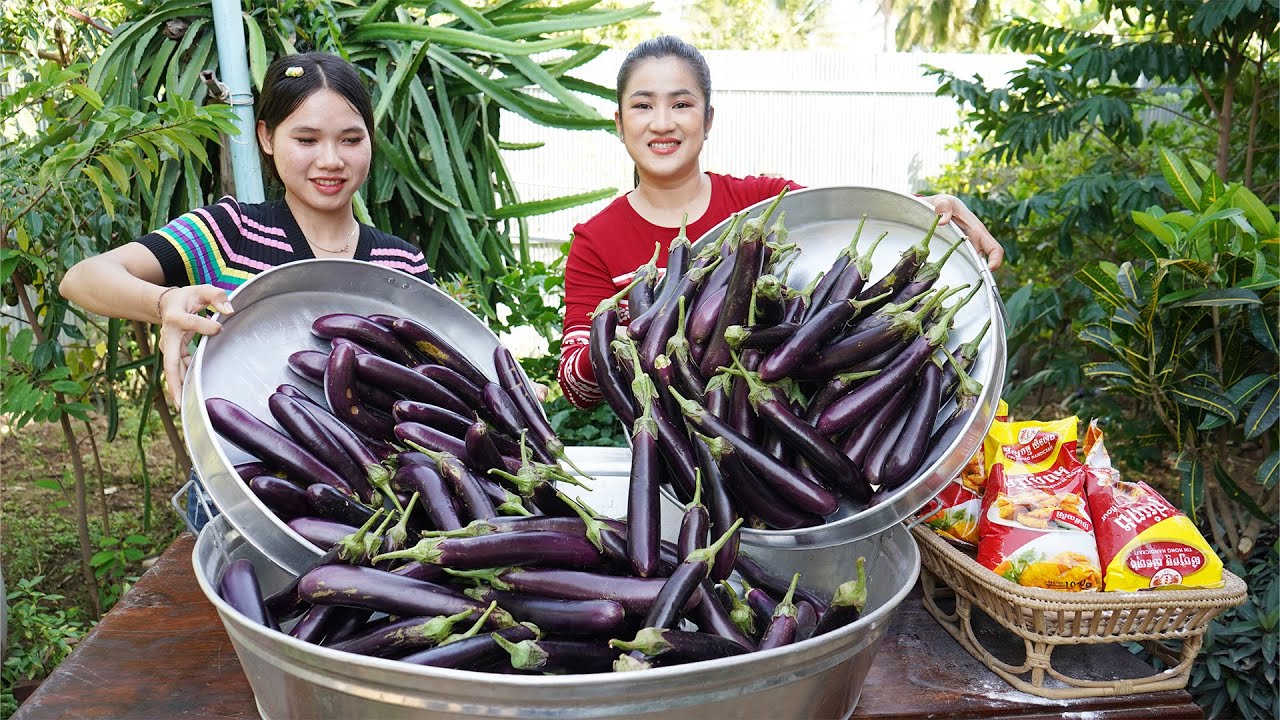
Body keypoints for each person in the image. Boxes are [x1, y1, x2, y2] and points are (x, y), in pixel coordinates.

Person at [60, 52, 434, 529]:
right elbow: (83, 278)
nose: (331, 160)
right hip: (241, 500)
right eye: (306, 139)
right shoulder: (231, 232)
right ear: (266, 138)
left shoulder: (400, 263)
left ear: (370, 143)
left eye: (351, 139)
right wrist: (163, 301)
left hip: (376, 512)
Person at [557, 35, 1004, 409]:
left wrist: (928, 209)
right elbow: (577, 391)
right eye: (642, 106)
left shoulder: (763, 203)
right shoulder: (596, 241)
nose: (661, 122)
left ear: (708, 119)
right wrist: (622, 336)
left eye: (681, 104)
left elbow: (854, 225)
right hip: (671, 468)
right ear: (619, 123)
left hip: (784, 442)